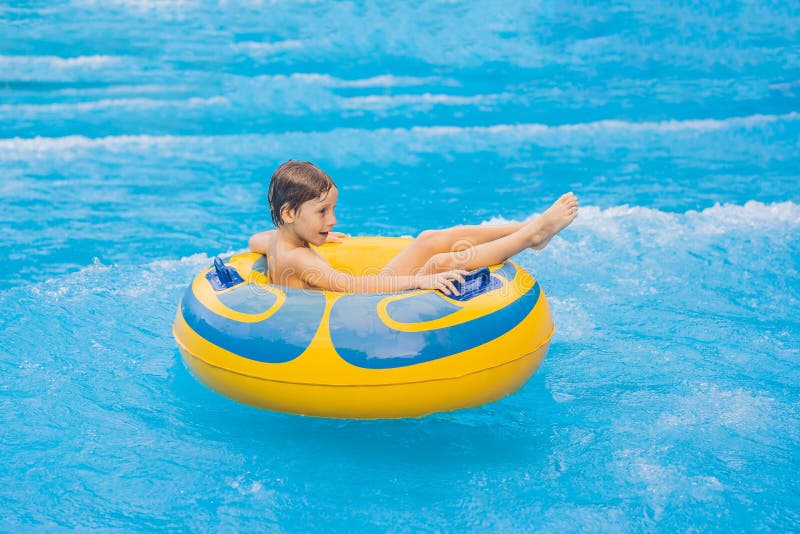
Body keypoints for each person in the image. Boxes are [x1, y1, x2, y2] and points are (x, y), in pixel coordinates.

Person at [248, 160, 578, 296]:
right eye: (322, 212)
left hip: (358, 302)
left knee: (428, 239)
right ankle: (530, 236)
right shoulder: (300, 259)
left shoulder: (277, 241)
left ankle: (527, 226)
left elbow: (254, 241)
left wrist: (319, 233)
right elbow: (351, 285)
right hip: (361, 316)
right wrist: (420, 280)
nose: (332, 220)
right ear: (289, 213)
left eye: (333, 210)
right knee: (440, 263)